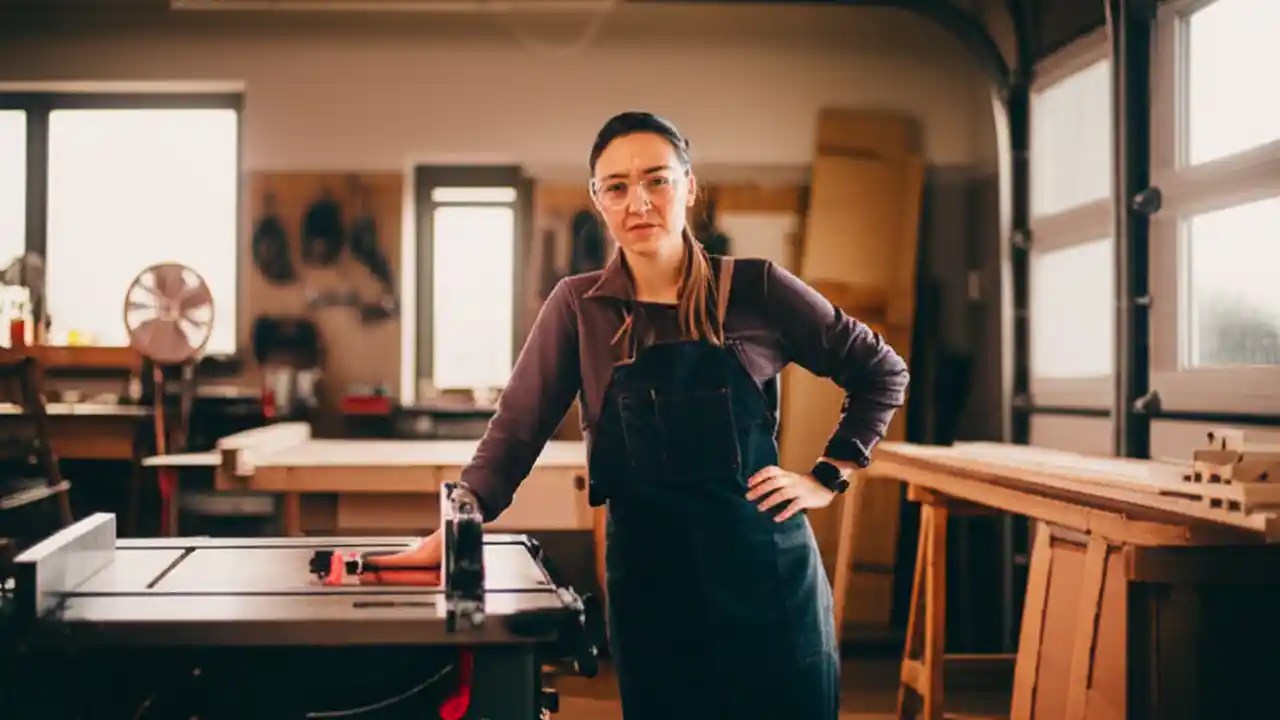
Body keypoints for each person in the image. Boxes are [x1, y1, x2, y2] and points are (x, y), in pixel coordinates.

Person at [368, 111, 911, 719]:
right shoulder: (579, 307)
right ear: (598, 201)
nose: (639, 202)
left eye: (657, 180)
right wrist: (457, 526)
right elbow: (515, 434)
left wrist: (827, 476)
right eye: (617, 186)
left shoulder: (758, 290)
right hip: (652, 586)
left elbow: (881, 371)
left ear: (689, 187)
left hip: (767, 584)